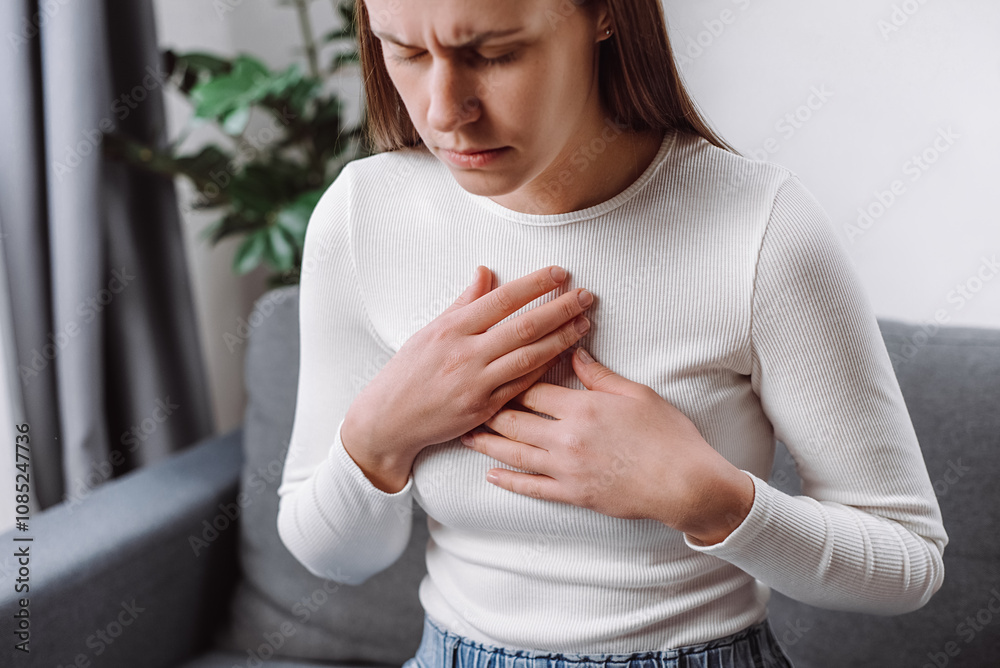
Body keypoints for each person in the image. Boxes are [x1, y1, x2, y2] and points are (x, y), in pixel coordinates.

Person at [276, 0, 949, 666]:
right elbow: (331, 556)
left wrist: (705, 497)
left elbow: (906, 562)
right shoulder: (363, 215)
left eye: (495, 53)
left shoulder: (761, 228)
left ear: (604, 14)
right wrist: (380, 435)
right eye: (408, 52)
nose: (445, 111)